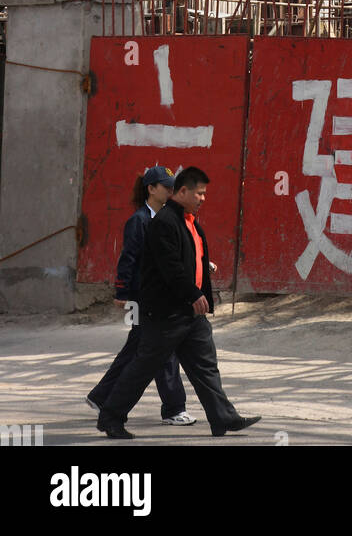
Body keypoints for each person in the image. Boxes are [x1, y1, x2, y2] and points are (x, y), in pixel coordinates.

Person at [95, 166, 260, 440]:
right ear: (182, 192)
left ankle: (223, 418)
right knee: (142, 367)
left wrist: (199, 291)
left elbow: (188, 261)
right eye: (199, 193)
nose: (203, 198)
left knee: (205, 368)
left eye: (204, 193)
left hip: (191, 314)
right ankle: (110, 418)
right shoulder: (163, 223)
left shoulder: (189, 221)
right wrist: (193, 294)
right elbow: (171, 268)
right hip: (165, 314)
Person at [86, 165, 195, 425]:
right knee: (161, 347)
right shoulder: (139, 221)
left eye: (173, 186)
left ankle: (102, 397)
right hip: (142, 296)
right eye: (166, 186)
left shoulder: (169, 218)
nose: (171, 190)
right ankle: (173, 409)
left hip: (160, 295)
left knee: (139, 348)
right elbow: (129, 258)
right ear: (151, 189)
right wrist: (122, 291)